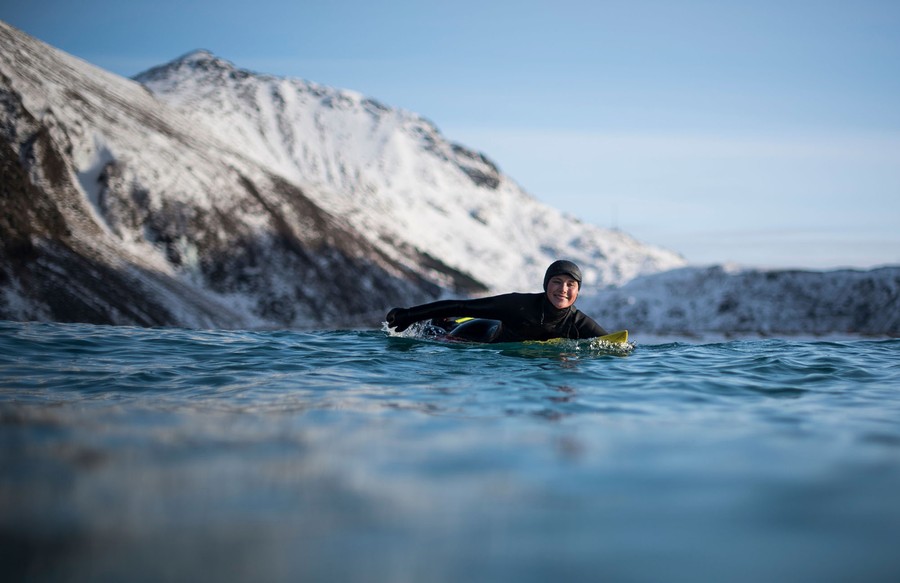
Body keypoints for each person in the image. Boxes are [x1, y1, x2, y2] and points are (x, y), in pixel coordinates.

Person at [385, 260, 608, 343]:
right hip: (479, 335)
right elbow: (462, 306)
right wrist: (408, 314)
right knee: (442, 333)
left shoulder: (578, 322)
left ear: (578, 292)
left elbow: (613, 344)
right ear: (546, 285)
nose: (563, 290)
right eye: (557, 282)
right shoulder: (519, 305)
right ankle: (444, 323)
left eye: (571, 285)